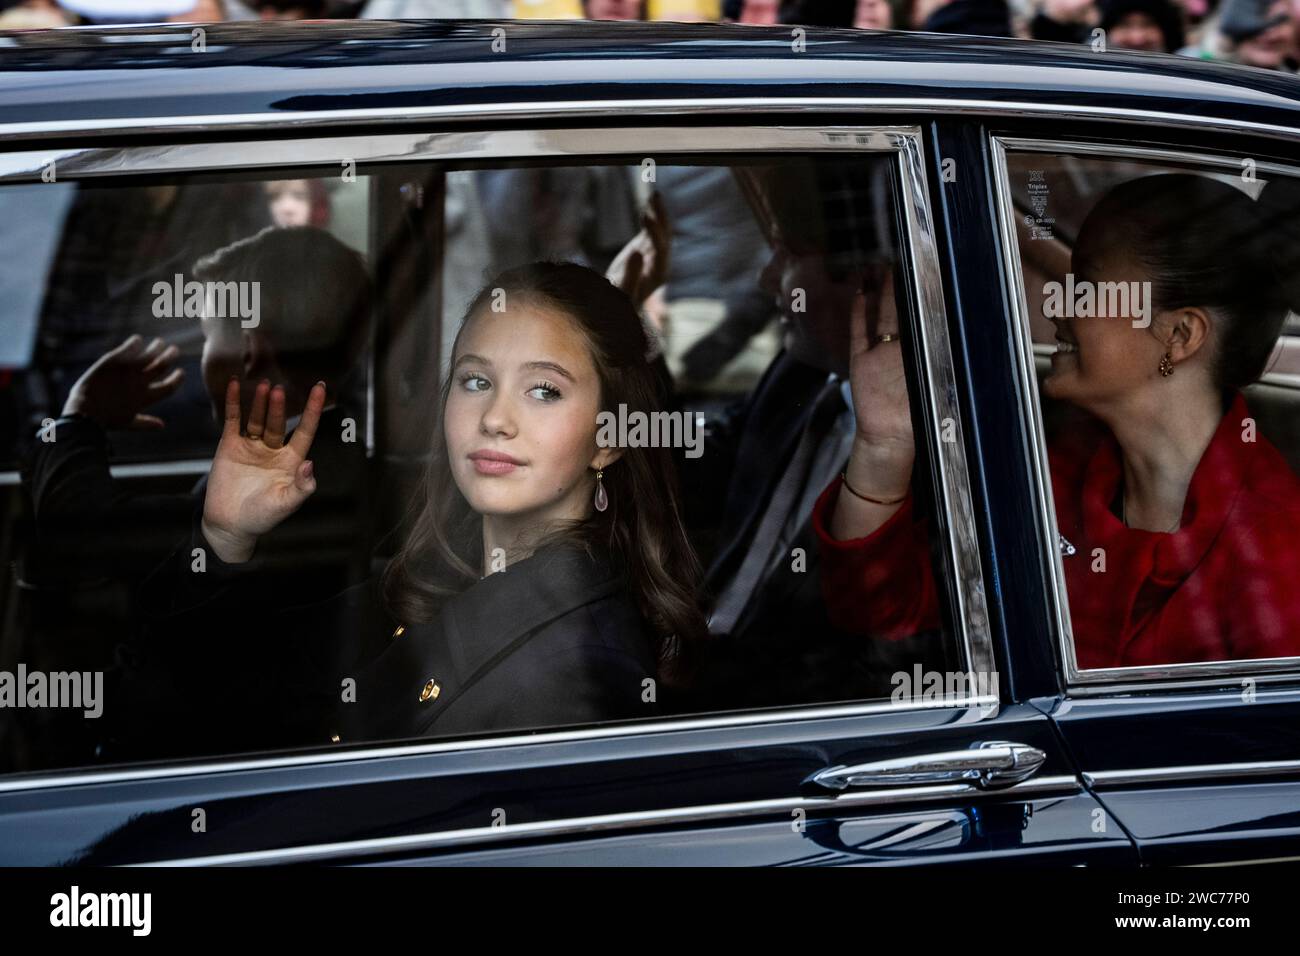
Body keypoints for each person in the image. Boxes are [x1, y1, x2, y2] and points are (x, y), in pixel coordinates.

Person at [106, 262, 706, 759]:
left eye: (543, 390)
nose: (494, 418)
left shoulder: (580, 674)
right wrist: (224, 536)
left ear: (608, 436)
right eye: (474, 382)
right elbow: (220, 690)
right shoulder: (437, 577)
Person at [814, 173, 1300, 669]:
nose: (1058, 305)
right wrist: (886, 445)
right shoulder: (1063, 470)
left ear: (1180, 334)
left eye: (1086, 287)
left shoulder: (1276, 550)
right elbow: (881, 612)